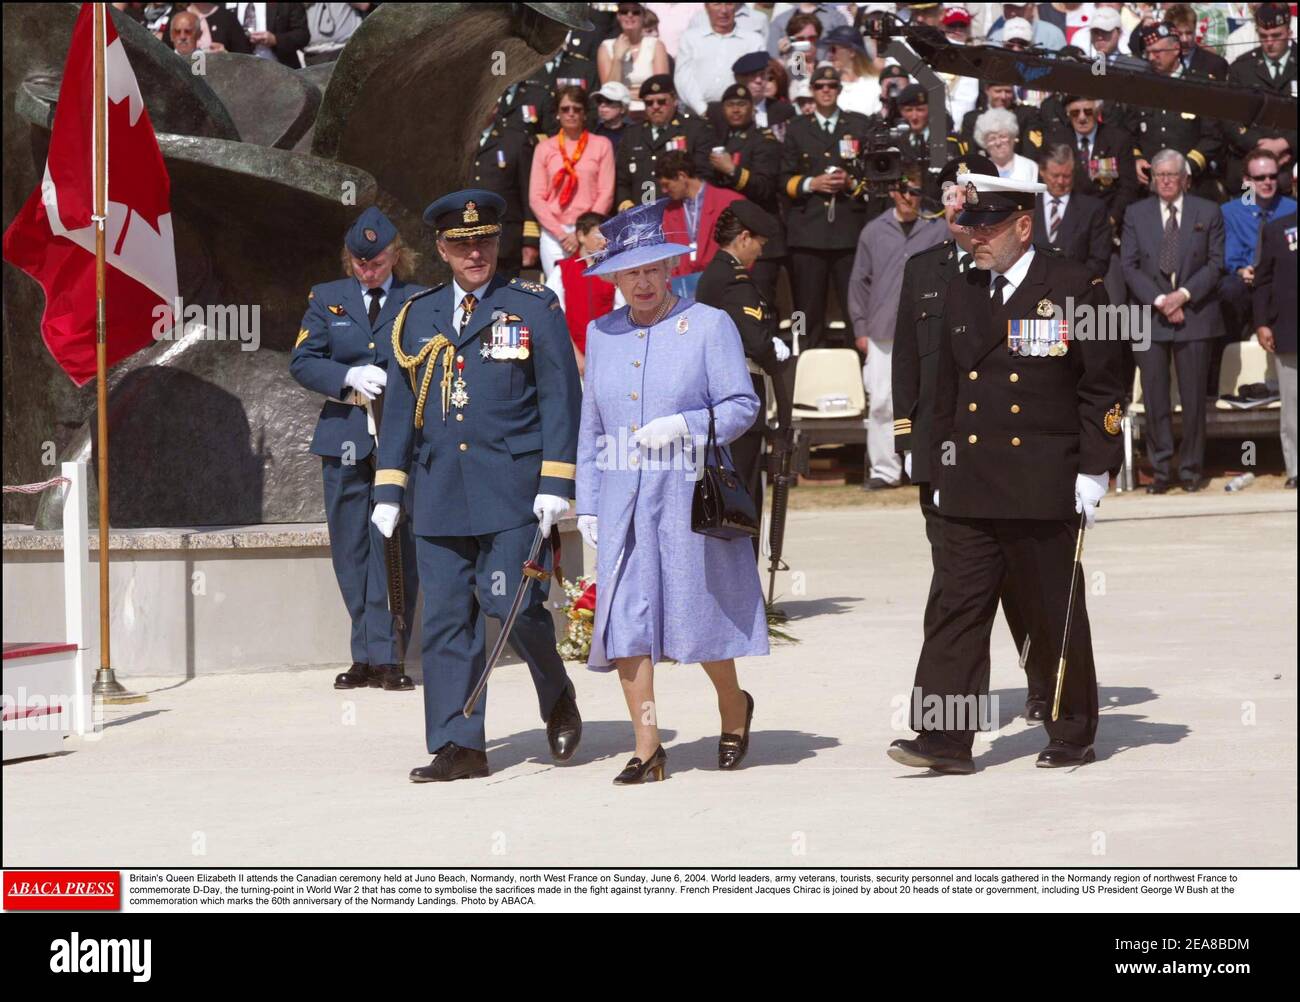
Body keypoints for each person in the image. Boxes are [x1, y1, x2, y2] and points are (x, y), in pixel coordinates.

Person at [889, 172, 1125, 775]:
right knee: (956, 607)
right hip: (968, 478)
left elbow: (1105, 385)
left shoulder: (1075, 285)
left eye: (987, 227)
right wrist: (934, 461)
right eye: (969, 226)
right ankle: (943, 737)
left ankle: (1071, 729)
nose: (974, 238)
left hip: (1043, 478)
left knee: (1052, 610)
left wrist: (1096, 470)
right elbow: (947, 384)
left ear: (1024, 225)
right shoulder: (964, 286)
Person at [371, 190, 584, 782]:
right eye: (462, 245)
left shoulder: (533, 307)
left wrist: (555, 480)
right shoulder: (418, 315)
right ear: (441, 248)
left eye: (485, 241)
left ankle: (556, 690)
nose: (475, 254)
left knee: (509, 604)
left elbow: (561, 396)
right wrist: (389, 487)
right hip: (439, 492)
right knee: (443, 618)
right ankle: (458, 742)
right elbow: (398, 411)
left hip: (512, 490)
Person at [576, 199, 768, 784]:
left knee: (697, 615)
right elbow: (591, 425)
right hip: (622, 497)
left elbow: (742, 406)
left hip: (686, 494)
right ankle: (648, 745)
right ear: (614, 276)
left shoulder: (708, 325)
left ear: (669, 270)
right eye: (631, 271)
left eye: (653, 269)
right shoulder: (601, 333)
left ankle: (733, 708)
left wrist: (686, 426)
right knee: (626, 622)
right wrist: (587, 501)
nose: (642, 281)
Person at [892, 153, 1045, 721]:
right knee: (957, 589)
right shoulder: (924, 269)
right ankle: (955, 714)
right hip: (945, 454)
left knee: (1028, 589)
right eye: (954, 194)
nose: (961, 205)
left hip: (1014, 456)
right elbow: (907, 360)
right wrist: (910, 441)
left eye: (970, 195)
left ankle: (1044, 685)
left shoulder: (1035, 271)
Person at [289, 207, 420, 693]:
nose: (370, 269)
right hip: (344, 432)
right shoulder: (328, 299)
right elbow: (303, 361)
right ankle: (362, 653)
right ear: (350, 260)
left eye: (379, 260)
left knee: (394, 543)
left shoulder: (417, 299)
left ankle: (389, 657)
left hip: (396, 436)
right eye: (361, 262)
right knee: (350, 547)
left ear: (395, 255)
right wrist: (346, 378)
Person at [1121, 149, 1225, 494]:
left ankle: (1192, 469)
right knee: (1155, 397)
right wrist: (1162, 300)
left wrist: (1182, 296)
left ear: (1185, 179)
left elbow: (1215, 264)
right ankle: (1161, 470)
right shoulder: (1135, 213)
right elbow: (1129, 266)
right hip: (1150, 315)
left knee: (1194, 398)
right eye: (1160, 175)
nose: (1165, 181)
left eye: (1172, 175)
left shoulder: (1208, 212)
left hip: (1195, 314)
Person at [848, 162, 948, 491]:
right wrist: (860, 327)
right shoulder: (872, 231)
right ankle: (884, 470)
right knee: (880, 401)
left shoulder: (938, 229)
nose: (908, 197)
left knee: (930, 398)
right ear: (892, 191)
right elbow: (859, 283)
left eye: (915, 190)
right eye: (902, 189)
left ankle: (924, 465)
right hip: (882, 330)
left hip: (927, 329)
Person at [695, 200, 789, 550]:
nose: (761, 252)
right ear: (744, 237)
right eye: (759, 244)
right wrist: (773, 349)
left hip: (726, 398)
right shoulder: (733, 280)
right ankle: (745, 595)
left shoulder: (719, 274)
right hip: (740, 396)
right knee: (744, 495)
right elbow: (753, 338)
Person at [779, 65, 877, 353]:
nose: (825, 90)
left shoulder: (858, 124)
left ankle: (857, 374)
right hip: (808, 233)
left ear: (839, 90)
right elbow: (783, 179)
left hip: (848, 232)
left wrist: (849, 182)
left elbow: (871, 178)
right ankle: (808, 368)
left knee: (853, 309)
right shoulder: (797, 128)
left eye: (831, 86)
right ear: (812, 90)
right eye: (820, 85)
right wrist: (812, 183)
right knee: (808, 311)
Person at [706, 81, 787, 303]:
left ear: (752, 108)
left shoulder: (764, 139)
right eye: (730, 104)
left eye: (742, 104)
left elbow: (765, 188)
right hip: (729, 236)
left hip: (759, 236)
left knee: (760, 301)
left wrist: (731, 170)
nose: (736, 109)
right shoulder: (717, 139)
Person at [528, 86, 616, 278]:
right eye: (565, 109)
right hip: (554, 234)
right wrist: (560, 234)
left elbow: (606, 192)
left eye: (577, 109)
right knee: (558, 292)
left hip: (591, 230)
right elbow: (536, 197)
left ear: (585, 113)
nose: (571, 114)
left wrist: (583, 231)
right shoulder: (544, 148)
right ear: (557, 114)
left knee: (593, 288)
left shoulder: (601, 145)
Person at [614, 74, 714, 212]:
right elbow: (621, 180)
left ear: (675, 100)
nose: (655, 107)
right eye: (649, 103)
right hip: (641, 216)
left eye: (661, 101)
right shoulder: (632, 134)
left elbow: (703, 174)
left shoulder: (694, 130)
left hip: (681, 211)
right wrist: (626, 206)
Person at [1253, 211, 1298, 489]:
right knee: (1293, 405)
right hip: (1290, 329)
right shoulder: (1277, 229)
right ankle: (1295, 468)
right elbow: (1263, 281)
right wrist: (1262, 323)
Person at [471, 110, 541, 280]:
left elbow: (527, 192)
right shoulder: (462, 139)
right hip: (468, 238)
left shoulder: (515, 140)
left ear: (495, 107)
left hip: (505, 240)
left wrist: (530, 240)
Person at [546, 211, 617, 376]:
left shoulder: (613, 271)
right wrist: (575, 355)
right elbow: (554, 316)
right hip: (572, 360)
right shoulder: (562, 271)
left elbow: (622, 313)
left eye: (607, 236)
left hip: (608, 358)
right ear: (581, 236)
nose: (605, 242)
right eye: (599, 235)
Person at [1032, 145, 1113, 279]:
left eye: (1066, 176)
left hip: (1076, 290)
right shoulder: (1029, 207)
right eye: (1055, 175)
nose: (1060, 181)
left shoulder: (1093, 209)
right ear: (1042, 171)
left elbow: (1099, 260)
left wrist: (1072, 284)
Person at [675, 2, 769, 117]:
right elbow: (683, 77)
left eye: (729, 4)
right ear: (706, 7)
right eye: (717, 4)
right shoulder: (690, 38)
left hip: (739, 115)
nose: (723, 10)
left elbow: (756, 80)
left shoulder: (753, 40)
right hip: (697, 115)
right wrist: (702, 109)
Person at [597, 2, 670, 111]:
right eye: (624, 11)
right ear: (618, 16)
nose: (629, 15)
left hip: (649, 111)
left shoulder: (655, 45)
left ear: (643, 16)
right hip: (619, 115)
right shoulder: (606, 47)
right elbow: (609, 94)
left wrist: (624, 94)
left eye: (635, 12)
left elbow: (660, 90)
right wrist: (617, 58)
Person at [822, 26, 881, 119]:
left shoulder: (876, 85)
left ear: (851, 52)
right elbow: (799, 77)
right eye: (828, 50)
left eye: (833, 49)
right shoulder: (825, 85)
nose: (829, 55)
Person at [228, 2, 309, 67]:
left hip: (280, 70)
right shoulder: (225, 5)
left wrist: (275, 40)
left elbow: (303, 35)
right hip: (239, 72)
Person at [975, 108, 1039, 184]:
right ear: (984, 142)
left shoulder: (1030, 166)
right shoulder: (980, 170)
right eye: (992, 138)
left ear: (1012, 137)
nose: (998, 143)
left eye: (1002, 136)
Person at [592, 81, 632, 149]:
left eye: (609, 101)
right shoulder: (593, 133)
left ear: (622, 108)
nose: (602, 105)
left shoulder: (633, 135)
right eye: (599, 101)